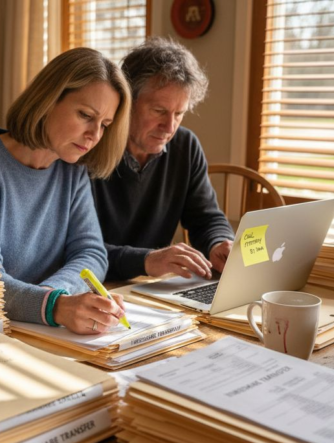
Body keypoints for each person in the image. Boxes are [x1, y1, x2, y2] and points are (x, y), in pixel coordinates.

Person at [0, 48, 132, 335]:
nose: (94, 135)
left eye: (104, 125)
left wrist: (55, 296)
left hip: (40, 327)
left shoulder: (72, 169)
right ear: (48, 100)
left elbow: (91, 253)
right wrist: (55, 305)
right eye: (85, 115)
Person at [92, 37, 235, 281]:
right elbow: (79, 249)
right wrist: (145, 260)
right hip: (96, 283)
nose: (169, 127)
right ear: (127, 101)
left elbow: (205, 217)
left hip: (151, 283)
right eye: (159, 111)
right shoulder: (91, 146)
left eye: (179, 113)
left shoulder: (185, 145)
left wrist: (219, 242)